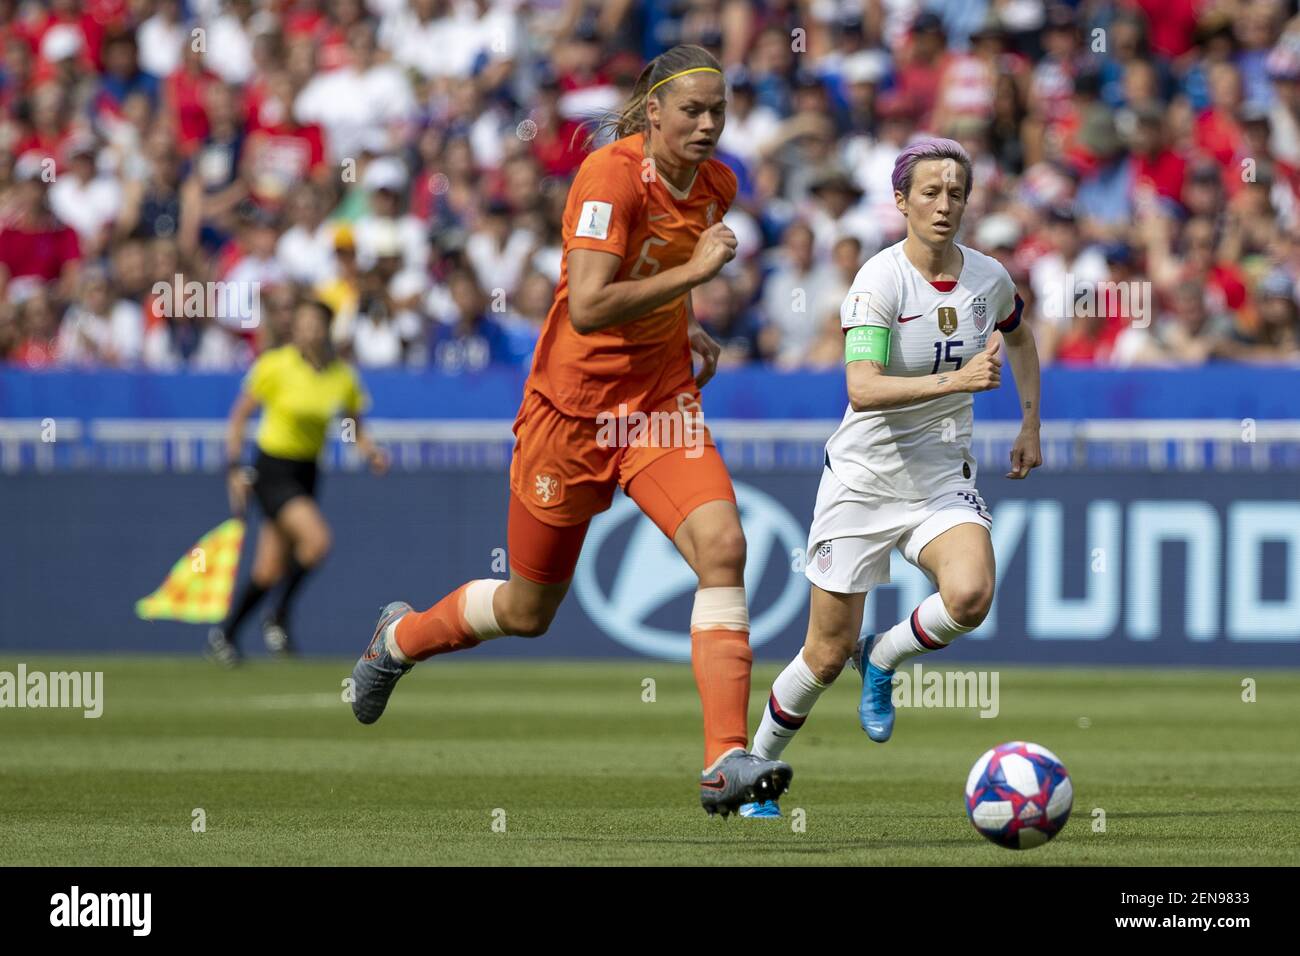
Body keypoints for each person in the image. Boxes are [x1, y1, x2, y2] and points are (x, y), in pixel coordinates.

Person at [348, 44, 792, 817]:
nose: (709, 124)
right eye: (693, 109)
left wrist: (682, 326)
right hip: (572, 417)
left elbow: (657, 269)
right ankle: (399, 640)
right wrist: (692, 280)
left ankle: (725, 759)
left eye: (718, 110)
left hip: (658, 406)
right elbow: (587, 305)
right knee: (528, 612)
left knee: (724, 546)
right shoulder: (608, 176)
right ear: (652, 112)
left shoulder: (717, 184)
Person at [744, 139, 1043, 817]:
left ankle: (882, 656)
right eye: (931, 193)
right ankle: (756, 767)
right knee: (823, 654)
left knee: (970, 594)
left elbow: (1020, 336)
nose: (945, 204)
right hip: (862, 481)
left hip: (940, 478)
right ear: (902, 202)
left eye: (956, 192)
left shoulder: (988, 280)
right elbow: (862, 387)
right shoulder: (878, 282)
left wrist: (1030, 423)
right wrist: (960, 379)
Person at [211, 297, 388, 664]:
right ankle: (277, 616)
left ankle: (224, 635)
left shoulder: (342, 376)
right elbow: (240, 416)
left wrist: (371, 451)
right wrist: (233, 468)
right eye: (302, 321)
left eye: (315, 322)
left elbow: (353, 426)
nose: (308, 329)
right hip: (272, 468)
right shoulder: (276, 365)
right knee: (317, 541)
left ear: (327, 328)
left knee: (268, 569)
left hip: (307, 470)